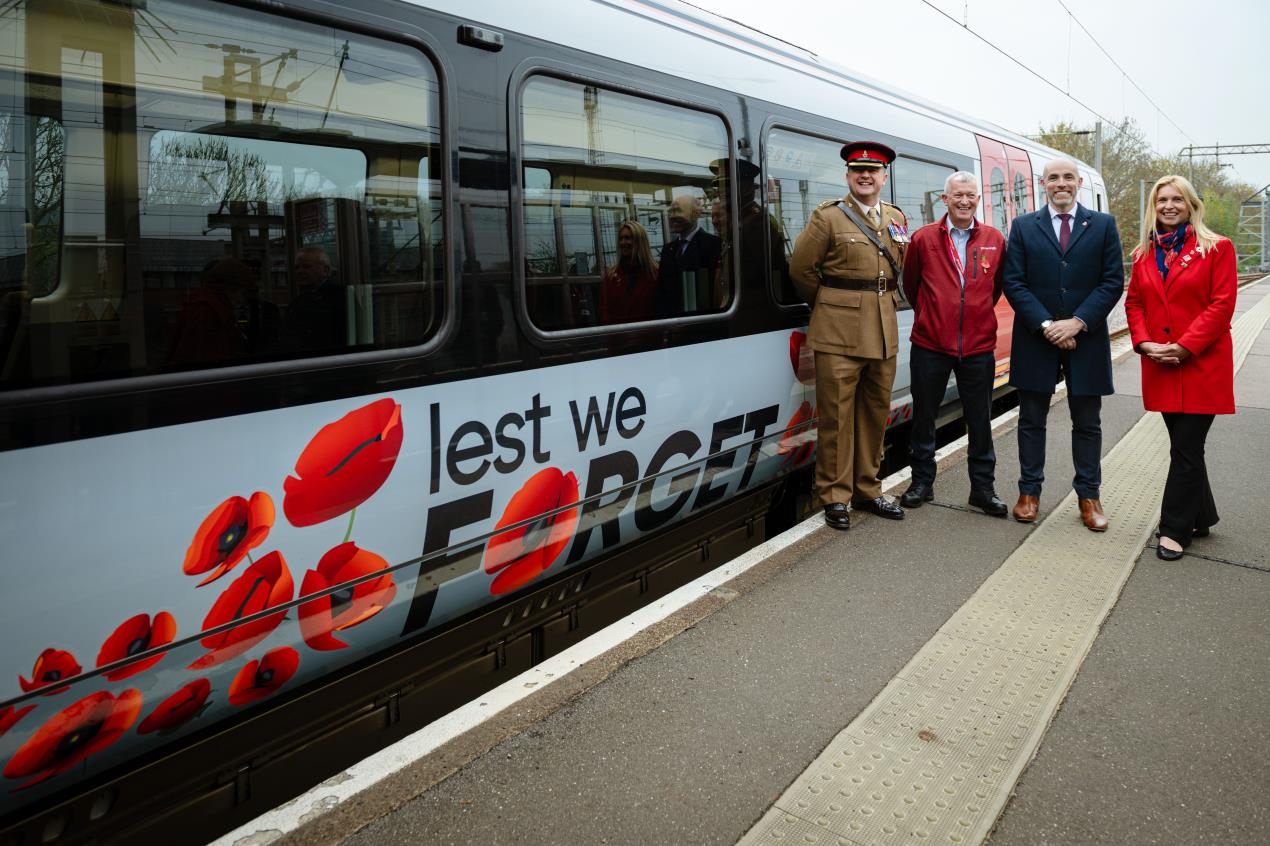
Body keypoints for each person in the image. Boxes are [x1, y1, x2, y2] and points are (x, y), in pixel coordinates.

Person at [789, 141, 909, 530]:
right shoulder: (827, 217)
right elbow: (801, 271)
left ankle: (868, 489)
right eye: (858, 170)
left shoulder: (895, 217)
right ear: (847, 176)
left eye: (872, 171)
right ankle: (835, 496)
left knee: (875, 413)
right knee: (837, 418)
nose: (865, 176)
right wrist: (832, 306)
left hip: (883, 330)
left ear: (883, 177)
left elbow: (900, 267)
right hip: (837, 334)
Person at [1002, 157, 1123, 529]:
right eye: (1053, 178)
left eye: (1068, 177)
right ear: (1043, 184)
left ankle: (1089, 496)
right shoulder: (1023, 226)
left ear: (1079, 182)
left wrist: (1077, 323)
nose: (1061, 183)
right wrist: (1047, 326)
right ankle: (1028, 493)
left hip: (1086, 338)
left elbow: (1112, 282)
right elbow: (1014, 282)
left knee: (1087, 423)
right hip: (1035, 339)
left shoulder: (1103, 225)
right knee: (1031, 420)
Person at [1125, 175, 1237, 560]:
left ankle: (1175, 529)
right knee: (1183, 446)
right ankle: (1201, 516)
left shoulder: (1217, 247)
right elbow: (1134, 303)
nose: (1168, 206)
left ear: (1191, 205)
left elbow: (1222, 304)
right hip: (1161, 362)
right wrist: (1144, 342)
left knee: (1186, 448)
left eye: (1177, 199)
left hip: (1202, 364)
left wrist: (1185, 346)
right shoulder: (1143, 253)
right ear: (1153, 207)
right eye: (1162, 200)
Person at [900, 171, 1008, 516]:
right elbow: (912, 285)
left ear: (978, 199)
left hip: (977, 346)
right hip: (930, 345)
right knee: (924, 417)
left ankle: (982, 489)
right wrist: (935, 316)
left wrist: (971, 316)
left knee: (980, 420)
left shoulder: (994, 239)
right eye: (957, 195)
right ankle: (922, 482)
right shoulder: (923, 238)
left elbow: (995, 289)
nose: (964, 201)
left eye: (970, 195)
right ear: (945, 199)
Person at [708, 158, 790, 309]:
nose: (720, 190)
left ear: (747, 188)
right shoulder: (741, 220)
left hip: (754, 311)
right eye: (718, 185)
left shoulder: (756, 223)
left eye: (727, 185)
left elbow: (768, 277)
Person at [656, 194, 721, 317]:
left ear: (695, 214)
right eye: (671, 212)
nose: (673, 216)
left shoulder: (713, 245)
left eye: (678, 211)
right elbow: (661, 291)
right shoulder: (667, 250)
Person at [600, 220, 658, 324]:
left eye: (627, 238)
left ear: (639, 241)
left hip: (648, 332)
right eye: (620, 239)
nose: (622, 243)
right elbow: (605, 310)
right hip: (618, 332)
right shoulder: (611, 276)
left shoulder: (655, 274)